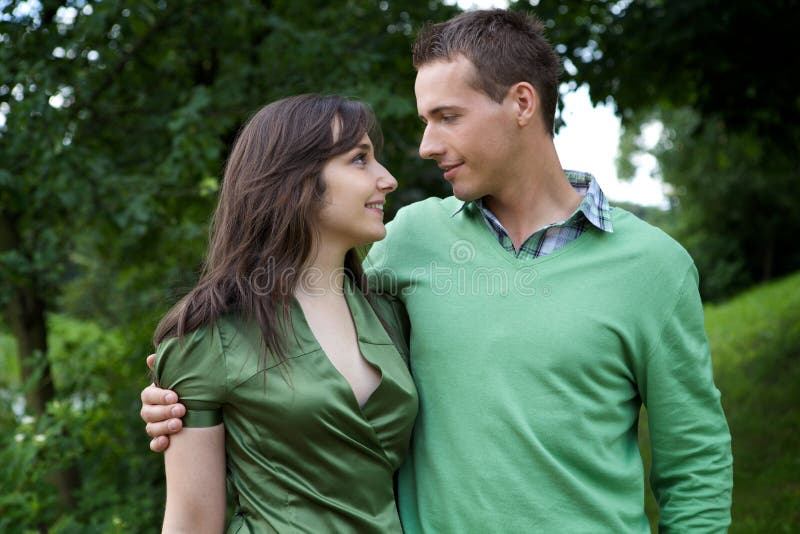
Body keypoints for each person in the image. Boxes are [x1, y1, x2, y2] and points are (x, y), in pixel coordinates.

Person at [141, 10, 733, 532]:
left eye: (447, 116)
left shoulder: (653, 267)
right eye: (426, 119)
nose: (426, 145)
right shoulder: (410, 240)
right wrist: (181, 396)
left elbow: (696, 464)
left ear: (521, 103)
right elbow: (296, 335)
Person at [148, 93, 417, 533]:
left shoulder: (390, 314)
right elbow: (191, 522)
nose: (387, 179)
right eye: (359, 159)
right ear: (296, 180)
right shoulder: (209, 337)